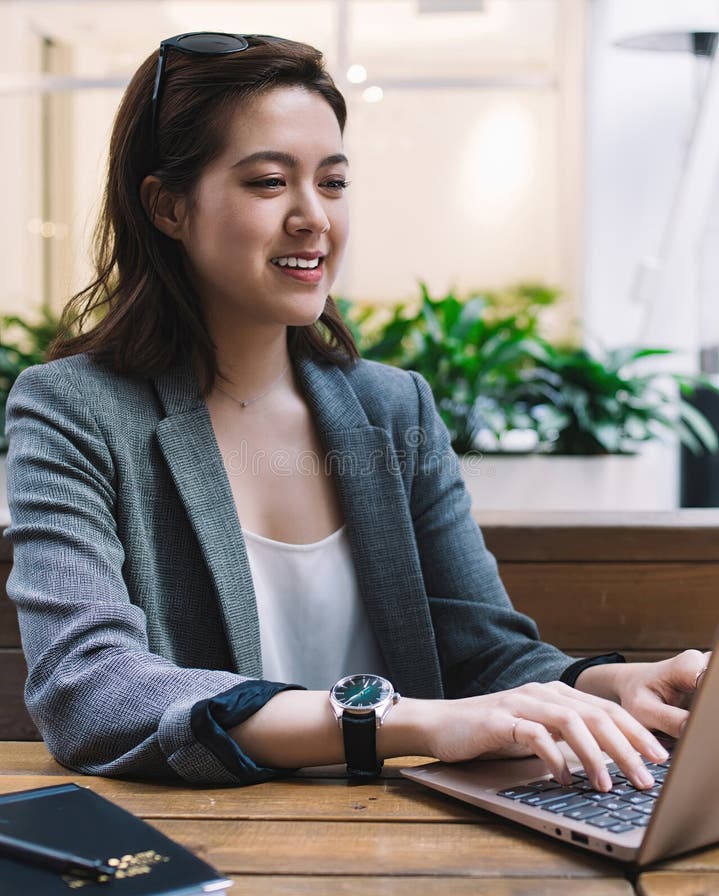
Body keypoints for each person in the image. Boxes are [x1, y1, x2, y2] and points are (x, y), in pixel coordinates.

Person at [5, 32, 709, 789]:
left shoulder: (392, 408)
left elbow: (485, 655)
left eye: (332, 183)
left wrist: (612, 687)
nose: (313, 218)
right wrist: (397, 720)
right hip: (215, 839)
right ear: (168, 205)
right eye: (269, 182)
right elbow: (88, 690)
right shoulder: (72, 409)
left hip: (411, 841)